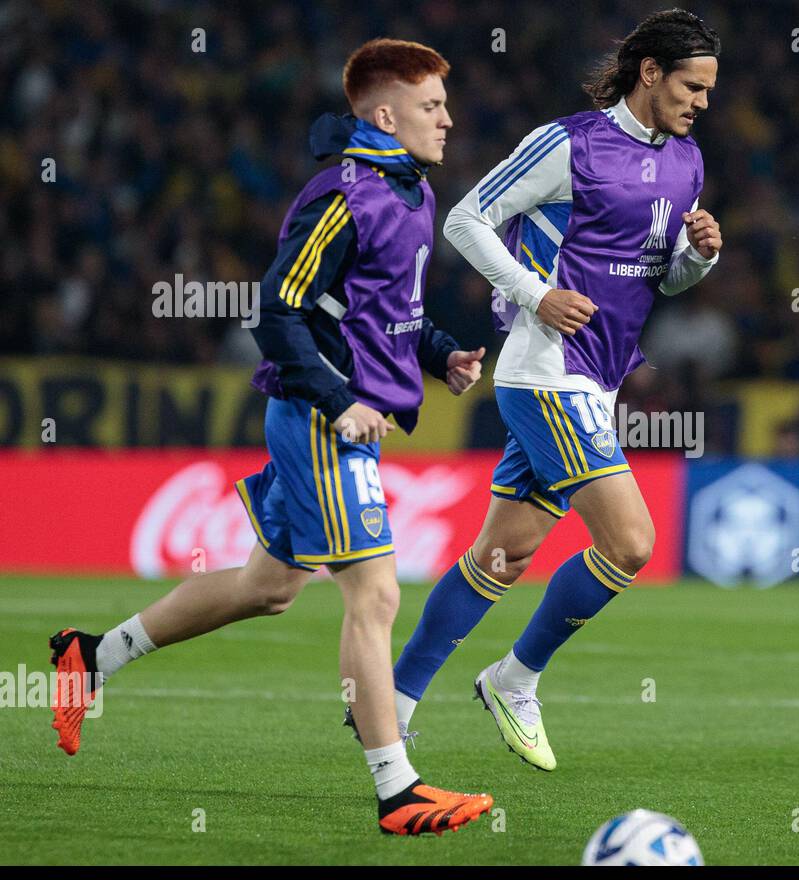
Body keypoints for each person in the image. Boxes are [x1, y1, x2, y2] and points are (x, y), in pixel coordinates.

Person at [49, 38, 493, 836]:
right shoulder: (343, 194)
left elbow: (392, 314)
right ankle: (398, 791)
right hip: (324, 417)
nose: (449, 120)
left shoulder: (412, 193)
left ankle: (90, 656)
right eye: (432, 107)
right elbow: (277, 310)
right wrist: (336, 398)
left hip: (345, 413)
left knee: (269, 588)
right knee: (376, 592)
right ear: (385, 116)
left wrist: (442, 353)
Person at [390, 10, 723, 771]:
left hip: (597, 383)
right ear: (650, 73)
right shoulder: (570, 143)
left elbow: (662, 276)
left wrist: (699, 260)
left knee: (502, 555)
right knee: (632, 542)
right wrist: (534, 293)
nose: (702, 102)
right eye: (692, 86)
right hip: (545, 374)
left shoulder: (687, 162)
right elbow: (467, 220)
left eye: (708, 90)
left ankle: (394, 702)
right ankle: (515, 677)